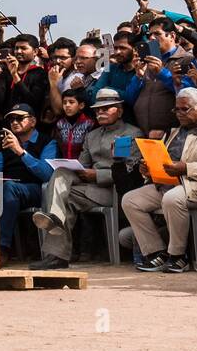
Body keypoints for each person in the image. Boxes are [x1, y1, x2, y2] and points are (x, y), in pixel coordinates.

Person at [121, 87, 197, 272]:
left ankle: (178, 256)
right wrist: (148, 169)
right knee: (130, 200)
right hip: (171, 183)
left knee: (172, 198)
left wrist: (187, 168)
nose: (179, 113)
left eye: (185, 109)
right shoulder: (175, 130)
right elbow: (165, 160)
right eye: (177, 109)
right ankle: (156, 253)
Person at [30, 88, 140, 269]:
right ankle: (56, 249)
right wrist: (76, 169)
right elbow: (82, 164)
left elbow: (129, 172)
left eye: (107, 108)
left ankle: (55, 234)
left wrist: (97, 175)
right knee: (61, 175)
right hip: (88, 188)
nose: (101, 112)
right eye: (98, 109)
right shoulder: (92, 135)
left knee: (63, 198)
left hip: (112, 190)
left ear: (119, 111)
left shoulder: (131, 134)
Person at [0, 104, 56, 259]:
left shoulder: (47, 141)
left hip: (35, 189)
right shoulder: (4, 144)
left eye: (20, 118)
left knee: (9, 188)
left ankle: (2, 248)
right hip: (6, 189)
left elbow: (47, 174)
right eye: (12, 119)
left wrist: (20, 152)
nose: (14, 122)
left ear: (33, 121)